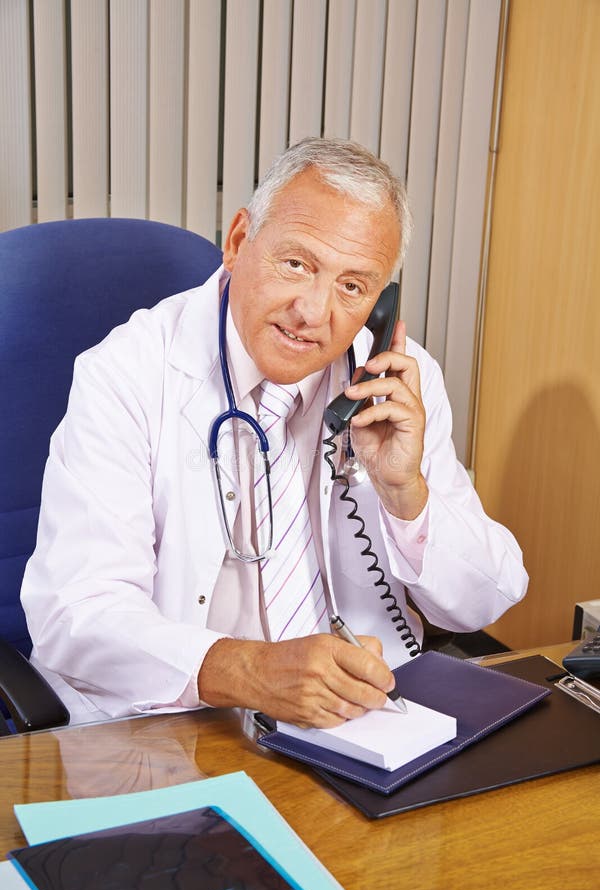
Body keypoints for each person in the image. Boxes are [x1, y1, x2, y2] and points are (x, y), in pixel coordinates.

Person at [21, 137, 528, 727]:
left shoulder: (394, 383)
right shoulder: (128, 373)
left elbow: (486, 599)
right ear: (238, 242)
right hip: (176, 726)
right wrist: (252, 672)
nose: (314, 311)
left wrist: (405, 492)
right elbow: (76, 612)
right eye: (297, 264)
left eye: (353, 286)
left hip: (360, 723)